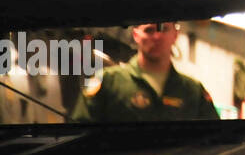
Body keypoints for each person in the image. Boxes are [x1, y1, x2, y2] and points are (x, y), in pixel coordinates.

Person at [70, 21, 219, 122]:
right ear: (136, 35)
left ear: (175, 35)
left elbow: (218, 140)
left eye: (164, 29)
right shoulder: (108, 82)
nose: (157, 36)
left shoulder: (193, 91)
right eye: (149, 30)